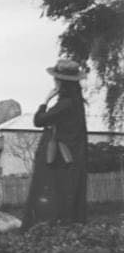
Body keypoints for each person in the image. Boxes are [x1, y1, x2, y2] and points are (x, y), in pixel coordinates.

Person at [22, 59, 89, 228]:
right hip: (72, 155)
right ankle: (67, 224)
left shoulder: (64, 104)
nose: (54, 81)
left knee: (51, 188)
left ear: (61, 82)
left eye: (56, 78)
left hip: (58, 157)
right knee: (67, 190)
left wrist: (45, 100)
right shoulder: (77, 103)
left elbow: (38, 120)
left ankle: (47, 225)